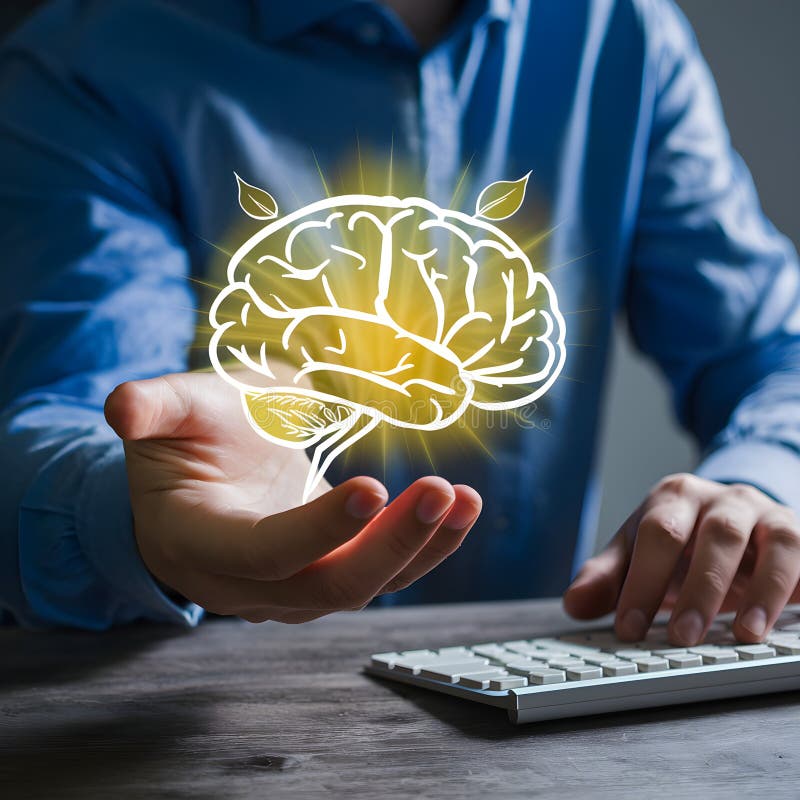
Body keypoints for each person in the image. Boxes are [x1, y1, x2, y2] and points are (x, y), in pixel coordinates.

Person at [1, 0, 799, 644]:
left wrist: (756, 484)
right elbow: (62, 415)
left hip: (528, 709)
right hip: (181, 724)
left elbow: (769, 349)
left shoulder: (617, 29)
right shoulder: (96, 57)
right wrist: (143, 520)